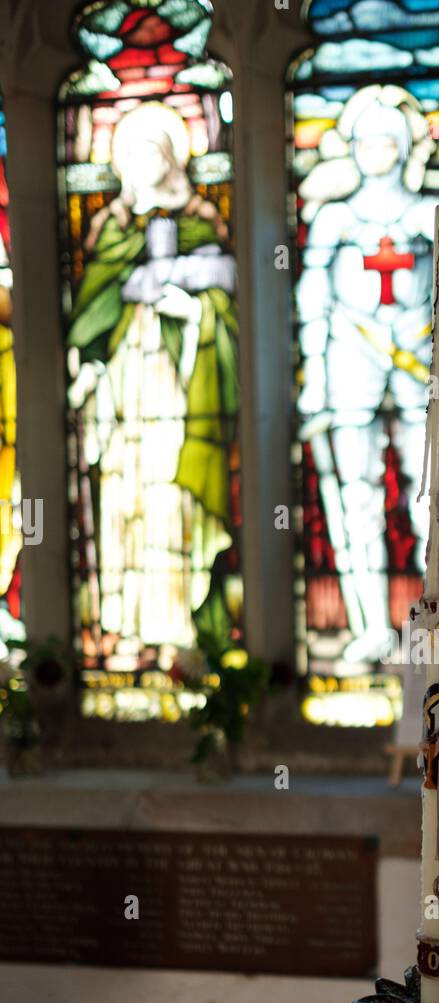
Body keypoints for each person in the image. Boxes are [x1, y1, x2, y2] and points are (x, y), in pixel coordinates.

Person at [67, 100, 239, 668]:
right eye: (132, 153)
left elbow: (223, 290)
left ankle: (176, 627)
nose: (143, 163)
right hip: (123, 385)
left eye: (153, 151)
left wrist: (190, 310)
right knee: (123, 492)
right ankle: (127, 626)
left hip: (178, 382)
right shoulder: (109, 229)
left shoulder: (198, 220)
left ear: (171, 158)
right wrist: (91, 361)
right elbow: (92, 307)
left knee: (170, 492)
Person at [295, 83, 438, 666]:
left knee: (429, 495)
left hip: (419, 363)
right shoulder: (332, 220)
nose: (376, 151)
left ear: (405, 147)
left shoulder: (433, 212)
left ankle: (438, 622)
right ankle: (369, 626)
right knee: (354, 495)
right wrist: (312, 374)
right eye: (366, 141)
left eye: (388, 141)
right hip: (349, 364)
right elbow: (311, 298)